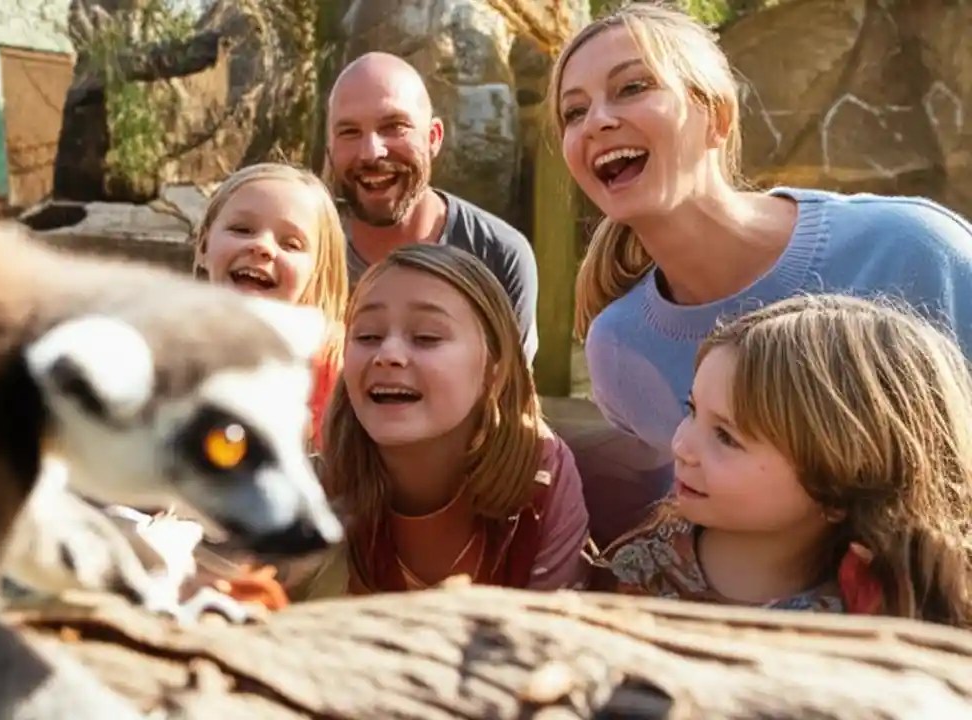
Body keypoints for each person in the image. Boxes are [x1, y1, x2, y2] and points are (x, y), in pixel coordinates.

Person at [547, 3, 972, 544]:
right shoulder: (619, 350)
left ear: (717, 118)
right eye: (573, 112)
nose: (598, 121)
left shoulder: (918, 247)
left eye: (632, 88)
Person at [591, 294, 972, 628]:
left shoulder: (904, 607)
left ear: (843, 483)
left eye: (726, 436)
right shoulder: (634, 573)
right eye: (691, 410)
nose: (680, 445)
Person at [296, 244, 589, 598]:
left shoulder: (541, 479)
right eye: (367, 336)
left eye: (426, 338)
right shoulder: (316, 489)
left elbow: (553, 636)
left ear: (493, 370)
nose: (387, 355)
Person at [325, 51, 541, 363]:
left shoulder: (496, 255)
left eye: (394, 127)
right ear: (330, 146)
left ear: (434, 137)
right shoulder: (302, 251)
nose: (371, 152)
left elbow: (512, 404)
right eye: (349, 132)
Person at [193, 162, 349, 450]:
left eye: (291, 244)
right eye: (242, 229)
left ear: (318, 270)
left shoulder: (338, 366)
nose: (262, 247)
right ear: (203, 245)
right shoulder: (166, 345)